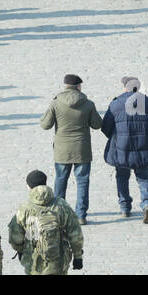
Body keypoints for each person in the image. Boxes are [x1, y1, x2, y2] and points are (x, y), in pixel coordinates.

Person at [40, 73, 103, 224]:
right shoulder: (88, 104)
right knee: (82, 181)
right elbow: (97, 124)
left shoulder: (55, 103)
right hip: (82, 149)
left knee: (61, 180)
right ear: (79, 87)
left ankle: (58, 213)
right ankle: (81, 214)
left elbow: (45, 125)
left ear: (65, 86)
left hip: (62, 149)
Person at [102, 75, 148, 222]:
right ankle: (147, 204)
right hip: (144, 148)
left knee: (122, 177)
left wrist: (117, 137)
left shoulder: (116, 104)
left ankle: (125, 207)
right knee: (144, 178)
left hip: (121, 149)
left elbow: (105, 128)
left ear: (125, 88)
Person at [7, 169, 84, 275]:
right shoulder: (61, 205)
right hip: (59, 262)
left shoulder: (24, 209)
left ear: (29, 187)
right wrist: (78, 256)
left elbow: (15, 237)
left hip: (33, 262)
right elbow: (75, 233)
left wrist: (21, 251)